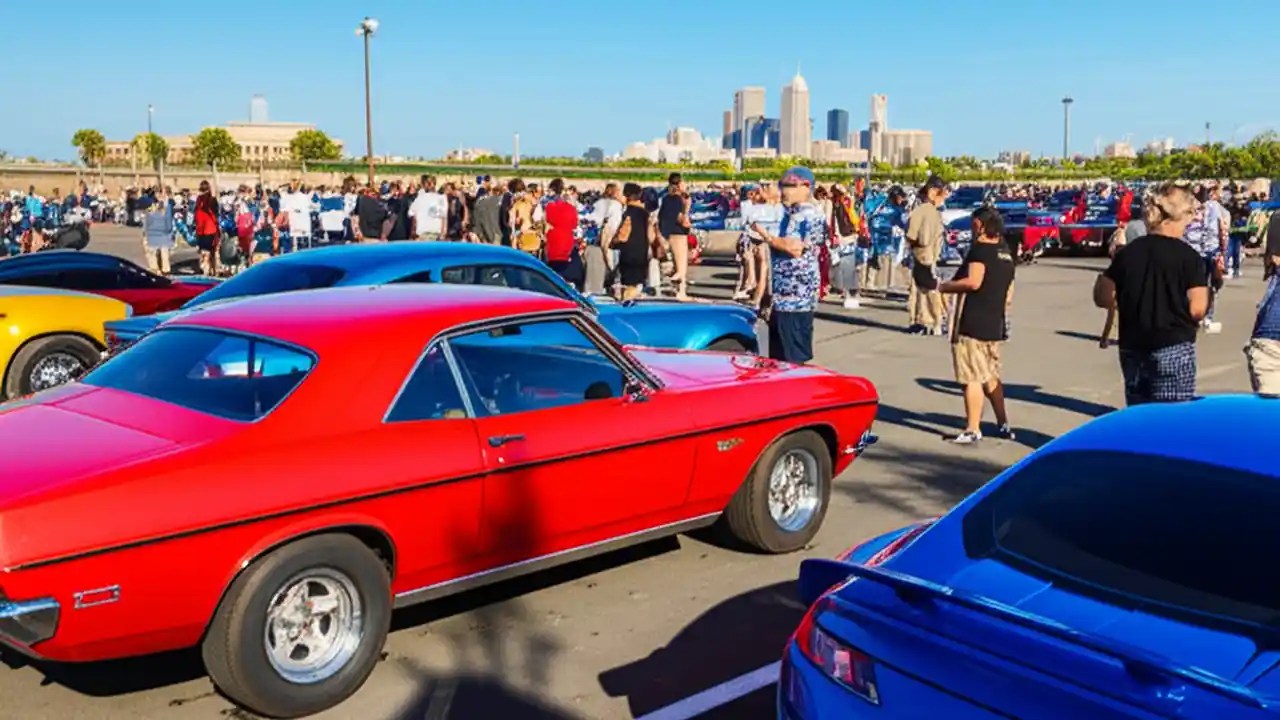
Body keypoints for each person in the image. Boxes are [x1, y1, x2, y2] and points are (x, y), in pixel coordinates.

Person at [1093, 184, 1209, 406]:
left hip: (1133, 344)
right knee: (1172, 420)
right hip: (1173, 344)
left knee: (1140, 416)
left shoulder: (1128, 253)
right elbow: (1197, 309)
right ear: (1180, 216)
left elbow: (1104, 297)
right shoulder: (1189, 257)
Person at [938, 206, 1016, 444]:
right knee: (991, 375)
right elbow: (1010, 291)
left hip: (972, 321)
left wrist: (944, 286)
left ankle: (973, 428)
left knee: (971, 376)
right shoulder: (1005, 252)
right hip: (995, 321)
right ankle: (1003, 423)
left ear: (979, 225)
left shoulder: (980, 250)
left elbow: (973, 282)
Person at [753, 167, 825, 364]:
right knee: (778, 357)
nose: (785, 190)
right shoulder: (789, 213)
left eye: (790, 186)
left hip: (797, 299)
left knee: (793, 358)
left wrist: (767, 236)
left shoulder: (810, 215)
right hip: (781, 297)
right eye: (782, 185)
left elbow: (795, 248)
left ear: (806, 187)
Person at [1182, 183, 1228, 333]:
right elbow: (1223, 228)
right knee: (1208, 285)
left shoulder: (1188, 206)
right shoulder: (1212, 207)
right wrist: (1222, 251)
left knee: (1197, 285)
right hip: (1206, 250)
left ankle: (1195, 316)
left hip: (1197, 250)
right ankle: (1205, 316)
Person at [906, 176, 948, 335]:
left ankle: (926, 321)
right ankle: (929, 321)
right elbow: (916, 236)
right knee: (925, 290)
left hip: (923, 255)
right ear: (932, 192)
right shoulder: (928, 212)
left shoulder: (922, 211)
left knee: (923, 290)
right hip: (926, 254)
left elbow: (911, 235)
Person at [614, 183, 655, 300]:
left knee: (627, 287)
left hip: (628, 253)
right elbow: (651, 236)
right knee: (637, 285)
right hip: (641, 254)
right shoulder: (646, 214)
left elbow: (623, 236)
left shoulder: (628, 214)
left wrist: (613, 242)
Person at [657, 172, 693, 300]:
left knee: (679, 265)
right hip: (678, 234)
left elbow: (662, 217)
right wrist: (687, 208)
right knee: (681, 267)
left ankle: (680, 292)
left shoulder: (666, 199)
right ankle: (680, 292)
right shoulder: (678, 200)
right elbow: (683, 220)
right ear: (679, 184)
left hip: (668, 234)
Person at [829, 184, 863, 308]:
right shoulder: (835, 205)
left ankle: (847, 292)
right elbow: (834, 223)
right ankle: (848, 294)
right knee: (846, 266)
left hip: (847, 236)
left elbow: (852, 219)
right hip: (842, 237)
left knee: (847, 266)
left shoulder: (844, 204)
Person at [587, 182, 624, 295]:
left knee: (593, 281)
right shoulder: (616, 206)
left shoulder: (597, 203)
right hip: (609, 243)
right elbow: (614, 226)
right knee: (612, 277)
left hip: (593, 244)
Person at [544, 178, 582, 288]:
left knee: (552, 271)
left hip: (552, 240)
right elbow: (574, 225)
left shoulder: (549, 206)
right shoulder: (571, 208)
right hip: (566, 240)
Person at [141, 187, 175, 274]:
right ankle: (164, 270)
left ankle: (156, 270)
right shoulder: (165, 204)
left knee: (153, 253)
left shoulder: (150, 205)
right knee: (163, 252)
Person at [408, 175, 447, 241]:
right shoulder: (442, 198)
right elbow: (443, 217)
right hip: (436, 234)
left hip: (423, 233)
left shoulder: (419, 198)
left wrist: (413, 232)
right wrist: (443, 234)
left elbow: (412, 215)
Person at [193, 180, 220, 274]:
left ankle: (205, 270)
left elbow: (195, 216)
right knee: (213, 251)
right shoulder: (212, 200)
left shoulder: (198, 201)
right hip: (211, 229)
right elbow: (216, 214)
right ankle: (214, 269)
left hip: (201, 230)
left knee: (204, 252)